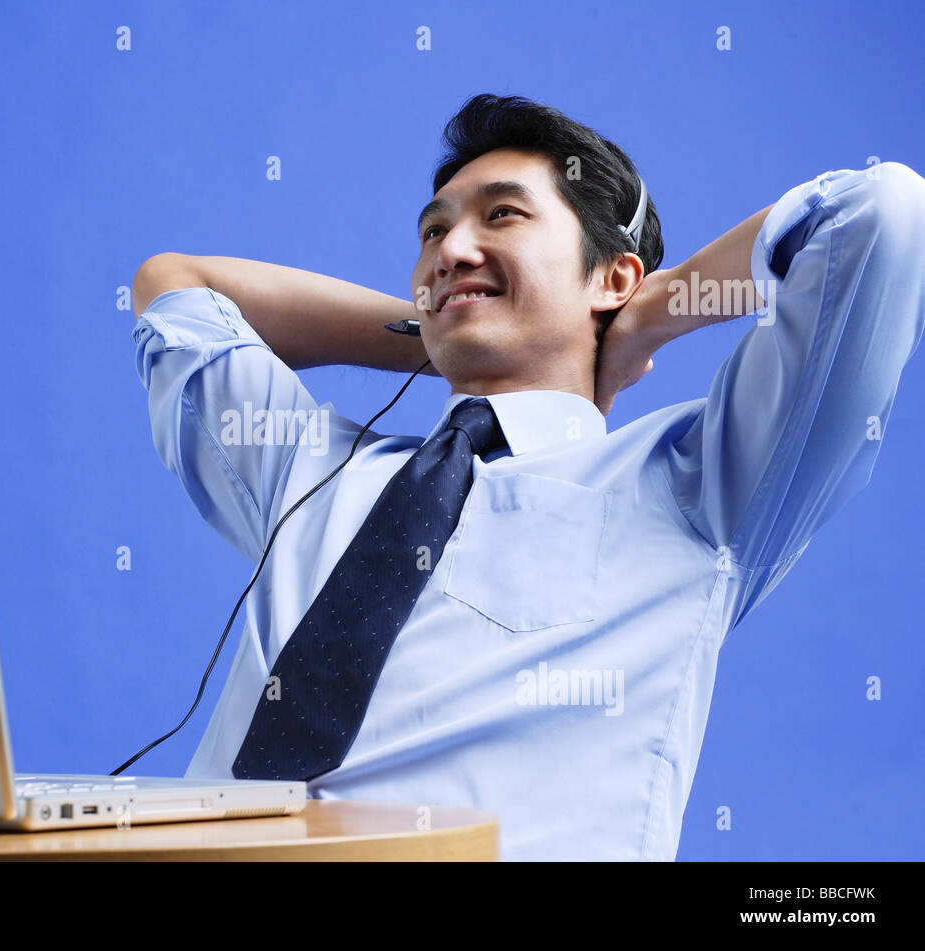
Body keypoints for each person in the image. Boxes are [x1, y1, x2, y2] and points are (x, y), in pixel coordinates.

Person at [128, 93, 925, 860]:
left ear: (612, 275)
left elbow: (882, 215)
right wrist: (439, 328)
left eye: (501, 215)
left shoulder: (699, 488)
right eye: (434, 233)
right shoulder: (306, 469)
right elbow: (175, 288)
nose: (449, 249)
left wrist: (650, 312)